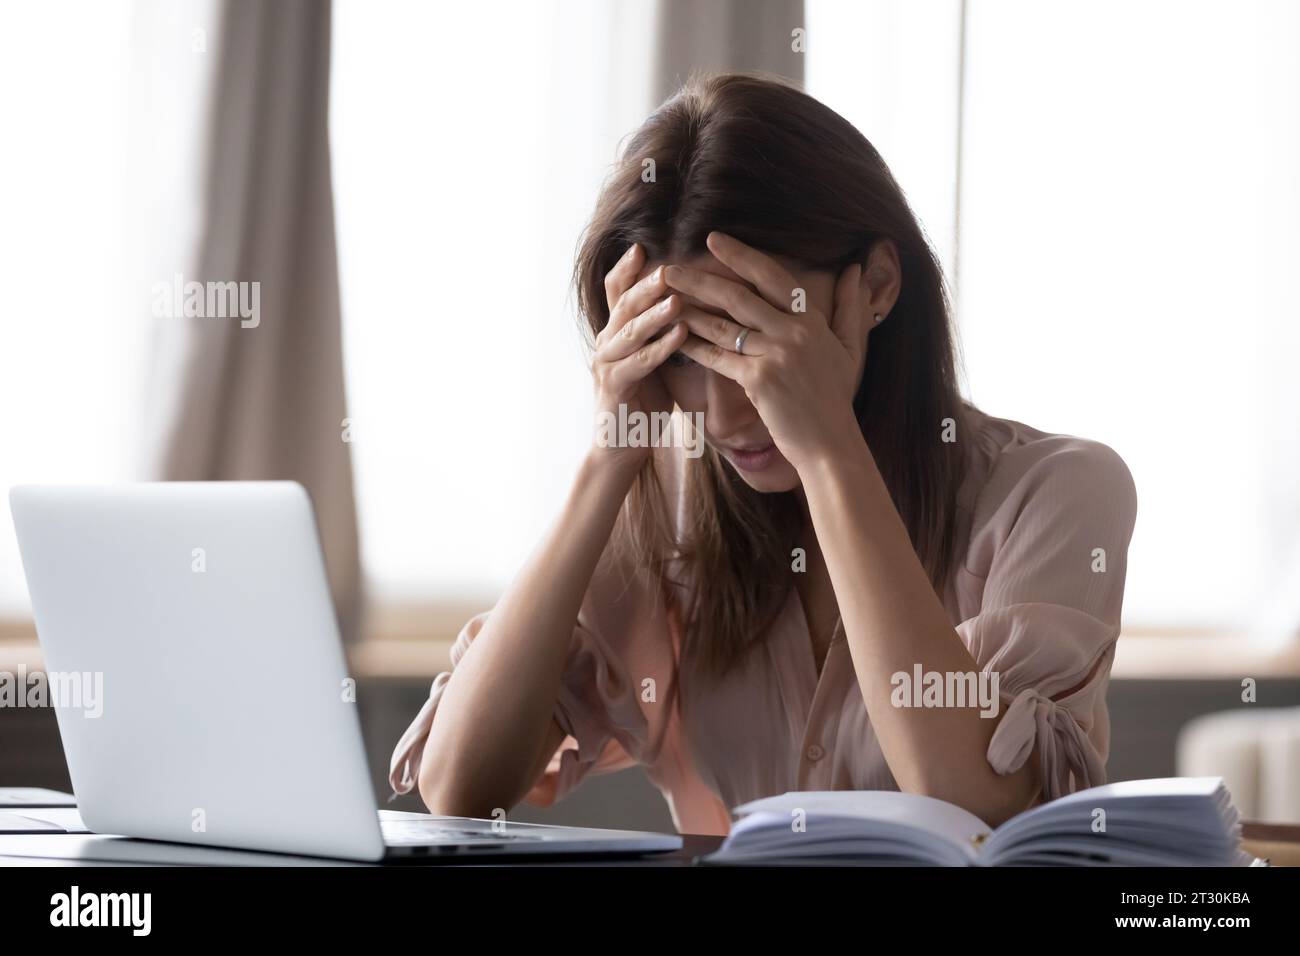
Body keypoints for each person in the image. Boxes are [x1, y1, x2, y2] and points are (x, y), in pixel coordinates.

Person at [388, 72, 1138, 834]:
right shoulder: (665, 509)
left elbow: (978, 809)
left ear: (876, 285)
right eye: (681, 355)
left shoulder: (1054, 492)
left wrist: (830, 457)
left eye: (750, 340)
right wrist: (609, 461)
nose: (722, 413)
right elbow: (459, 788)